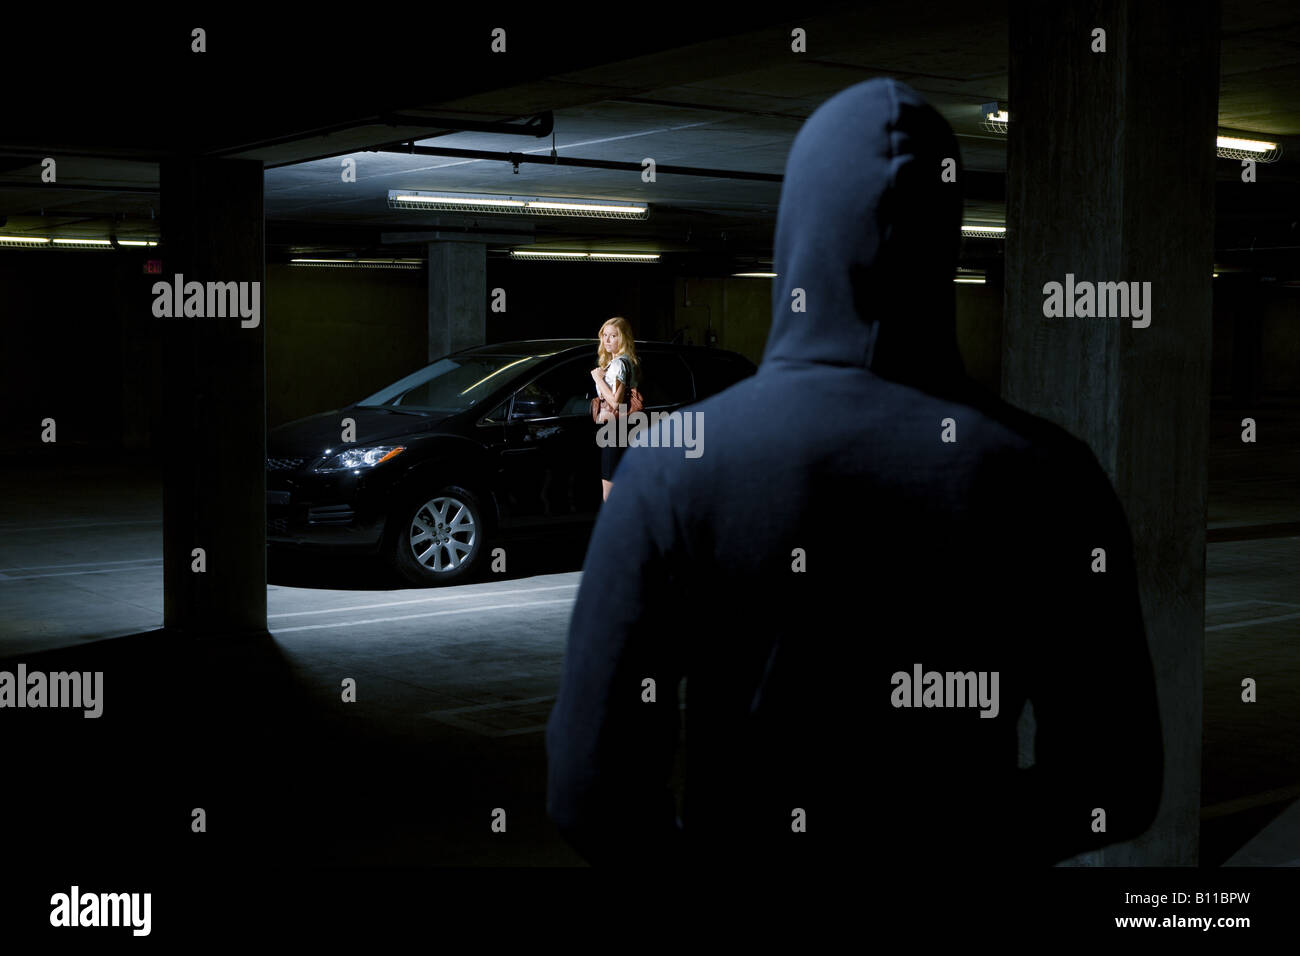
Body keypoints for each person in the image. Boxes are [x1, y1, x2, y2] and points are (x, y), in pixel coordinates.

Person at [546, 78, 1164, 868]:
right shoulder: (1052, 475)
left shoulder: (675, 467)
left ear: (797, 229)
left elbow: (589, 790)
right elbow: (1120, 782)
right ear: (948, 235)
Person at [590, 316, 640, 502]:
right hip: (626, 426)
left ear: (623, 339)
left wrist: (598, 379)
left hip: (615, 428)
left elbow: (616, 402)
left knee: (609, 493)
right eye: (605, 335)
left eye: (613, 336)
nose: (607, 340)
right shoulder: (625, 361)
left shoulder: (619, 363)